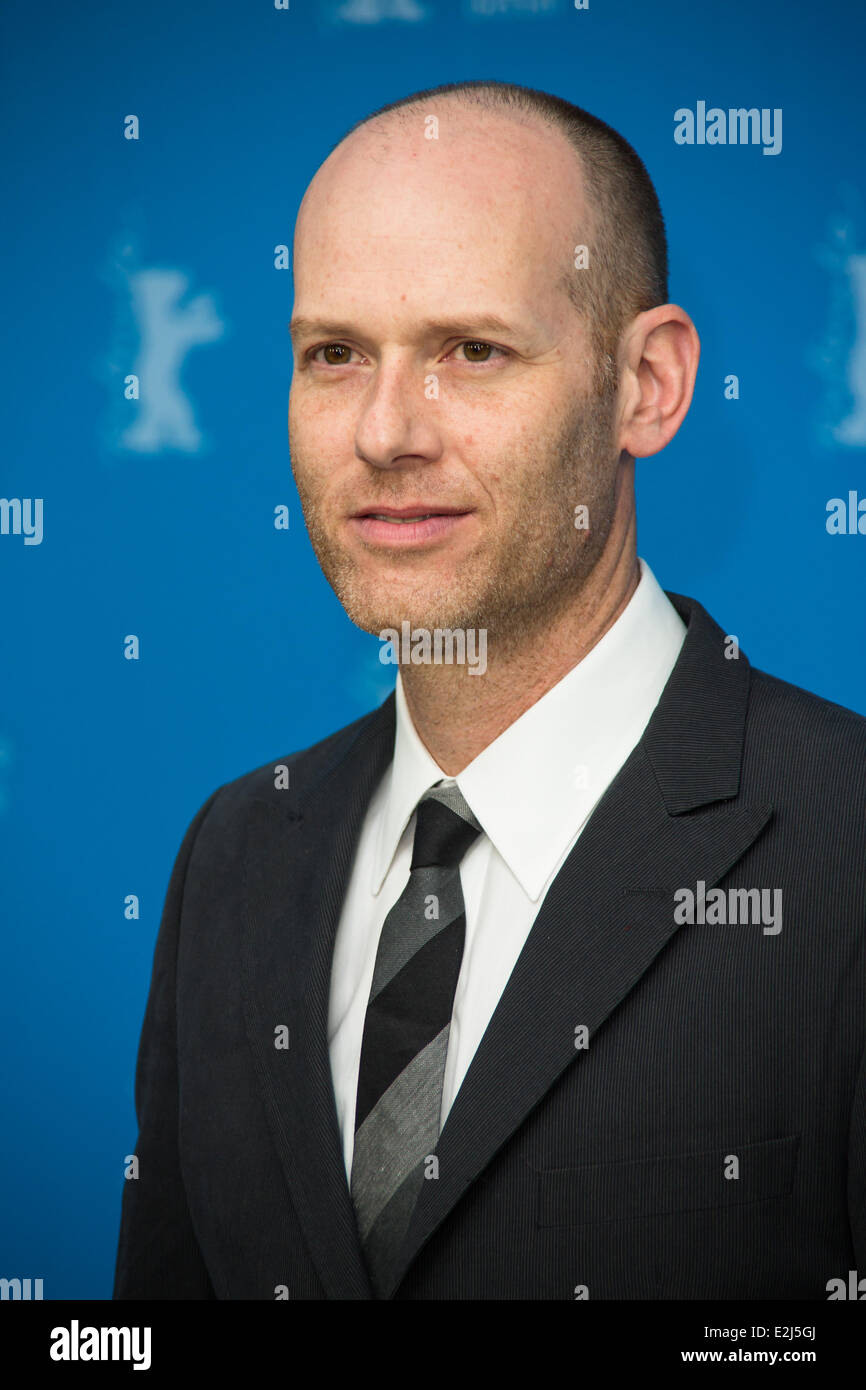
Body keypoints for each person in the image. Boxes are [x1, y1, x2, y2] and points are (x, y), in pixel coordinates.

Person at [113, 80, 866, 1301]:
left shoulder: (848, 847)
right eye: (334, 354)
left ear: (647, 386)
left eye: (472, 350)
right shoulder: (236, 854)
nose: (385, 431)